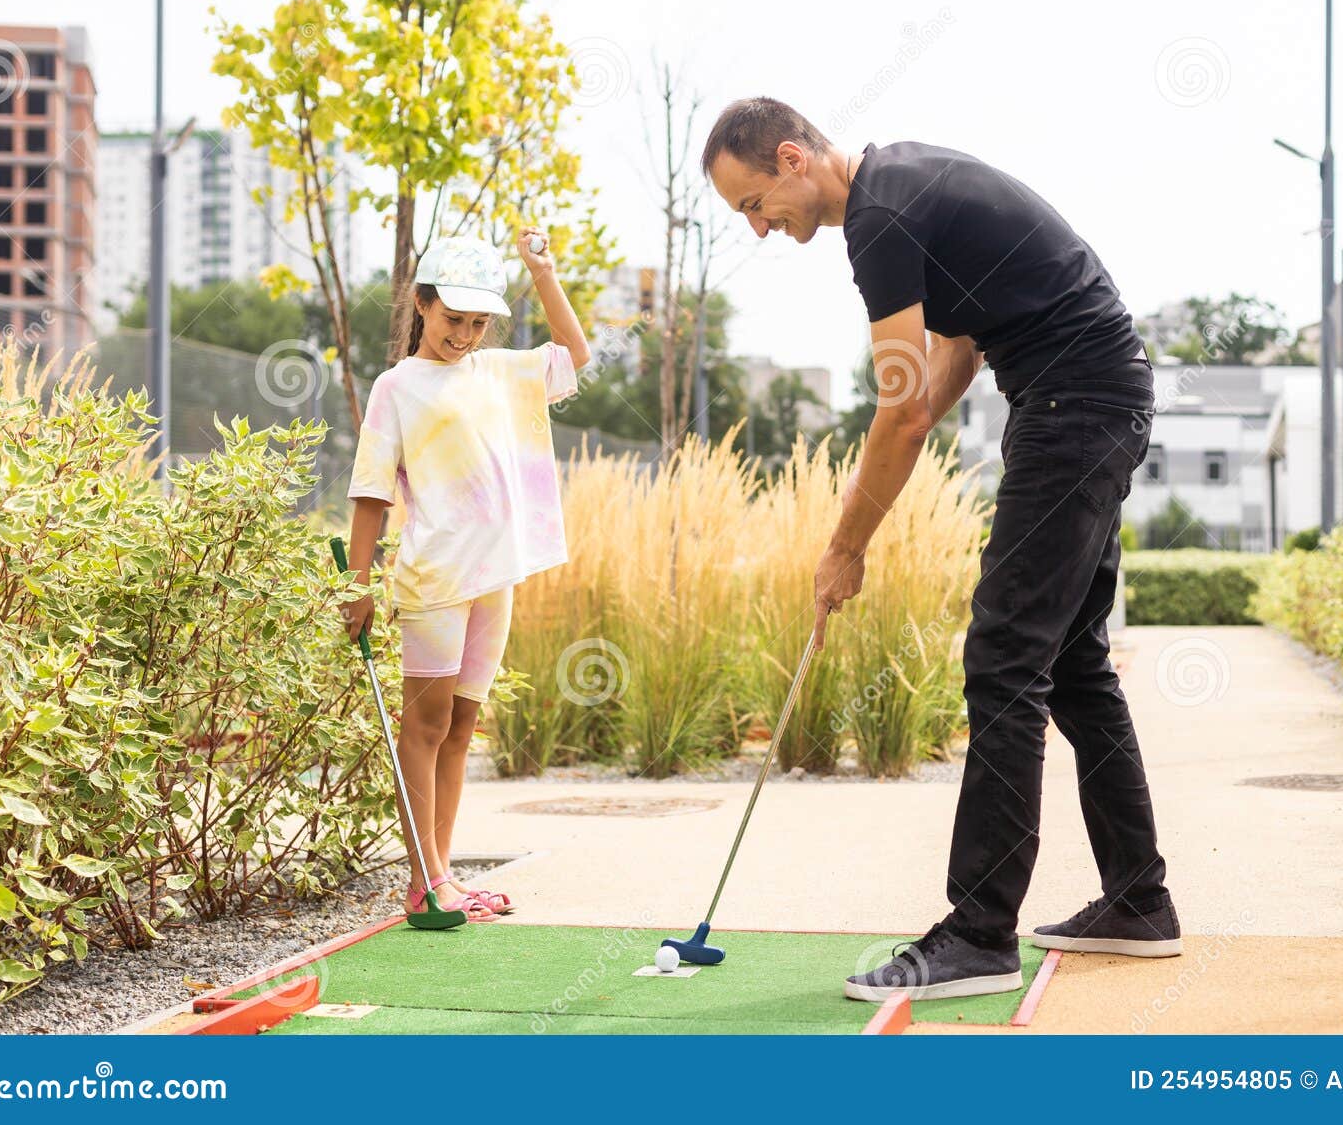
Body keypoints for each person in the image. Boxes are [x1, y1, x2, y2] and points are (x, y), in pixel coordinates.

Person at [702, 98, 1182, 1001]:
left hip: (1074, 407)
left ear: (794, 158)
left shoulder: (878, 219)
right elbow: (953, 352)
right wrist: (917, 424)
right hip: (1090, 400)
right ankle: (1138, 901)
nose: (760, 228)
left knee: (1002, 657)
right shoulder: (906, 186)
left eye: (754, 204)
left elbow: (904, 405)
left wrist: (848, 545)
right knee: (1071, 661)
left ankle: (978, 932)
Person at [340, 230, 591, 923]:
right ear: (422, 304)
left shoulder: (498, 371)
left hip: (495, 577)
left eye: (478, 322)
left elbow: (575, 355)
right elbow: (370, 492)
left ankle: (441, 875)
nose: (466, 333)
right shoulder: (396, 387)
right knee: (423, 725)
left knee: (461, 725)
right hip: (434, 580)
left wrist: (543, 272)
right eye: (454, 318)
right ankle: (425, 882)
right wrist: (357, 582)